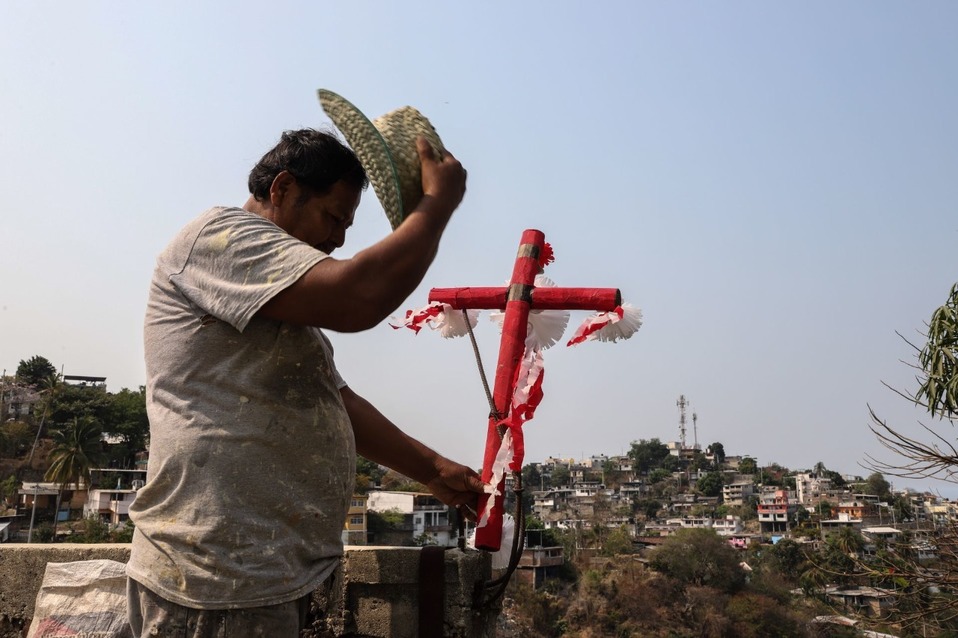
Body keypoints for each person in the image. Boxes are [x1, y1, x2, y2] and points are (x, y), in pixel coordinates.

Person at [126, 128, 483, 636]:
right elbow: (359, 296)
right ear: (283, 190)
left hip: (260, 575)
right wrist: (437, 204)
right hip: (215, 580)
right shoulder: (221, 239)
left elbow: (331, 401)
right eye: (334, 218)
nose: (339, 240)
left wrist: (430, 468)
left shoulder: (276, 295)